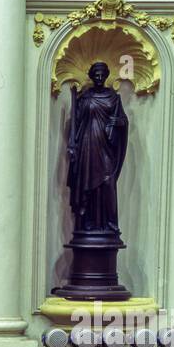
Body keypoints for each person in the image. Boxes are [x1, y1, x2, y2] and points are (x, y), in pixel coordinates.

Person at [67, 62, 127, 235]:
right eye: (96, 75)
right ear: (92, 76)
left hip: (107, 147)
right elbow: (76, 123)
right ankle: (87, 223)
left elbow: (122, 121)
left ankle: (109, 224)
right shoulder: (85, 97)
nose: (99, 78)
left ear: (107, 75)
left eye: (102, 75)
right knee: (87, 184)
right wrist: (73, 144)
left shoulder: (114, 98)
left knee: (108, 183)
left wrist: (121, 123)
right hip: (88, 145)